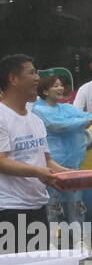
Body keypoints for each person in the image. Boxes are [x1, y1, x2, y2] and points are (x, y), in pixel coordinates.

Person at [0, 55, 68, 251]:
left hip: (37, 206)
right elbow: (1, 161)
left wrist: (67, 174)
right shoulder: (2, 117)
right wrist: (39, 173)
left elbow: (46, 161)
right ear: (13, 79)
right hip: (10, 209)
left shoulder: (35, 120)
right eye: (31, 72)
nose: (37, 77)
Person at [31, 75, 92, 228]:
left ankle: (79, 241)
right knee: (53, 205)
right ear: (45, 91)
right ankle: (54, 243)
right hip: (52, 165)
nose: (60, 88)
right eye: (55, 86)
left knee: (76, 204)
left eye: (61, 85)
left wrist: (87, 120)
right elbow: (59, 125)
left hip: (72, 165)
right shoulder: (39, 110)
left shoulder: (65, 108)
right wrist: (84, 122)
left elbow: (87, 117)